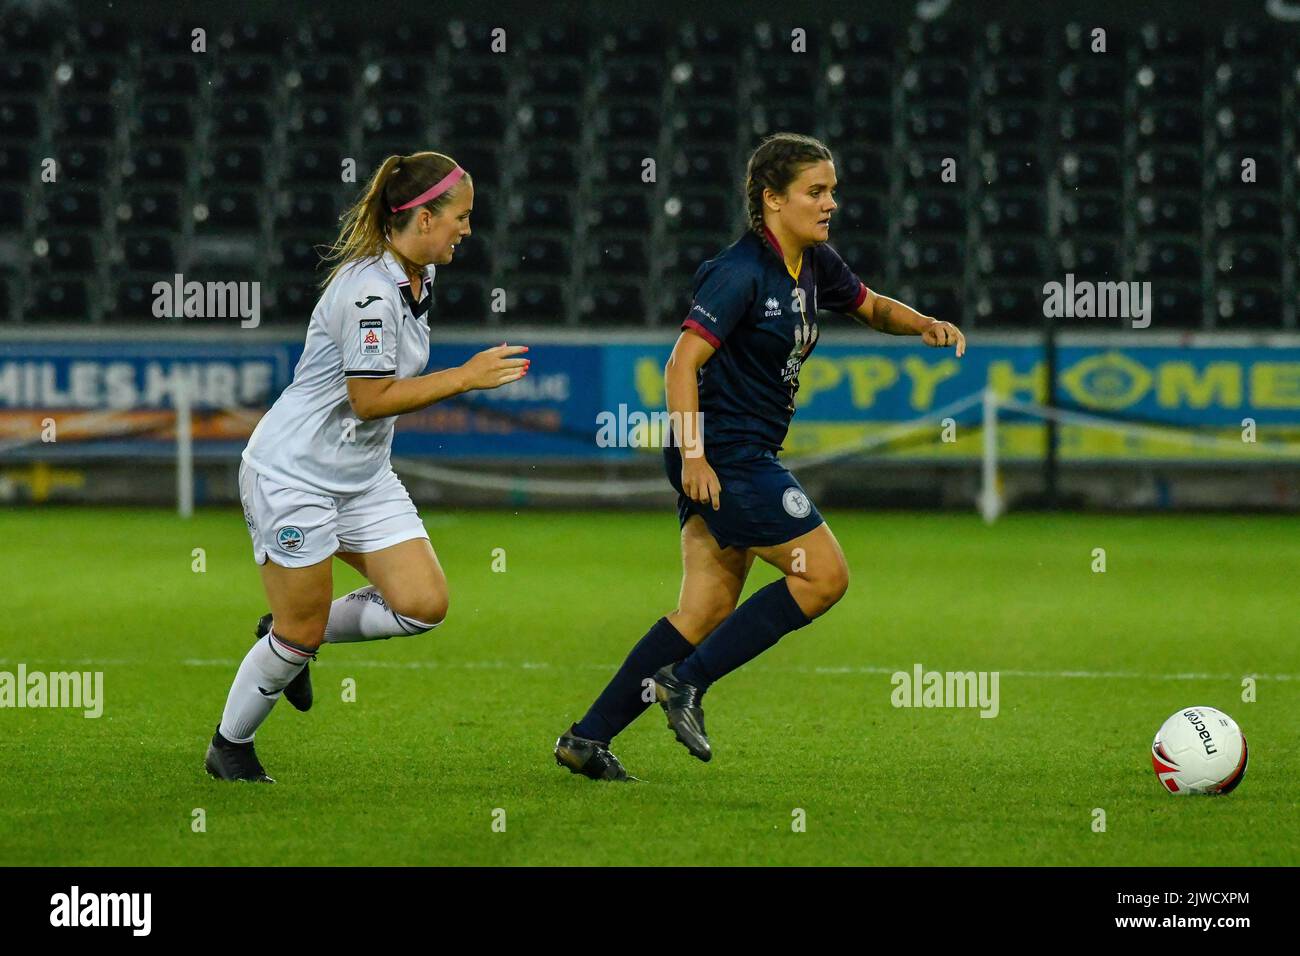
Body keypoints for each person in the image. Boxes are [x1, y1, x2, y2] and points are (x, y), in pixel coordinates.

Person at [555, 132, 966, 780]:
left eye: (831, 189)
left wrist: (922, 324)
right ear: (773, 199)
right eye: (816, 191)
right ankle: (685, 682)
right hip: (727, 455)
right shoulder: (739, 272)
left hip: (735, 454)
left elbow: (870, 306)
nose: (830, 202)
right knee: (824, 575)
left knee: (704, 610)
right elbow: (680, 364)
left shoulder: (815, 264)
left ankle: (586, 738)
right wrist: (695, 458)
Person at [206, 151, 529, 782]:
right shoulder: (371, 295)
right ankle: (230, 746)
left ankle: (289, 632)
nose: (468, 229)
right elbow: (369, 398)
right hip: (293, 474)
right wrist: (463, 378)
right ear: (424, 217)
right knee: (300, 633)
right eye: (461, 217)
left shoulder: (416, 277)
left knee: (423, 604)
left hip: (361, 476)